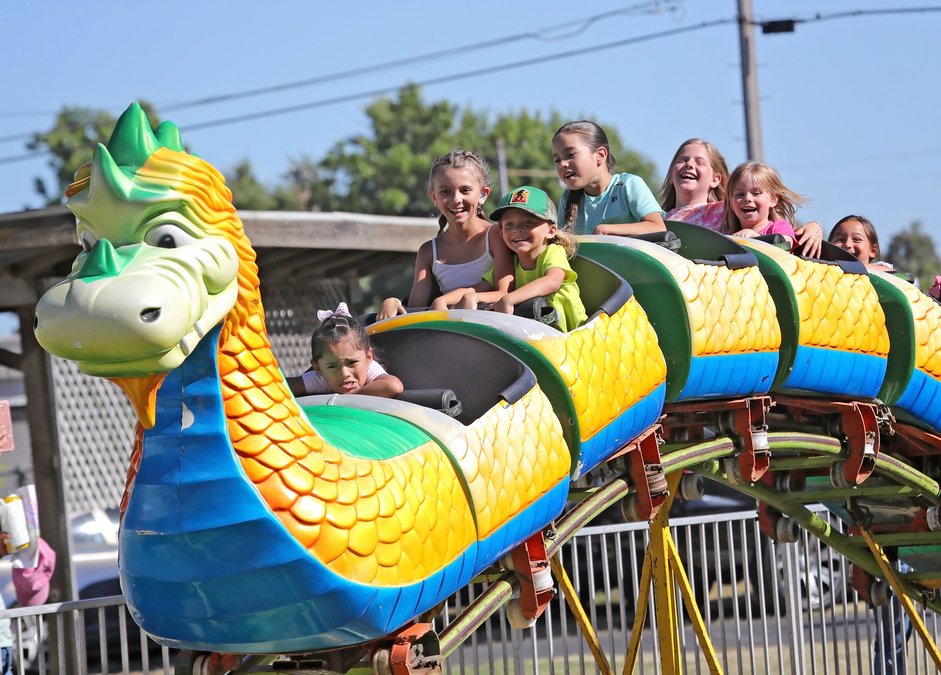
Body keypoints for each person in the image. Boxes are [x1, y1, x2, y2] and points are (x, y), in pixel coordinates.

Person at [376, 150, 514, 319]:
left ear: (483, 194)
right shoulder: (428, 252)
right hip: (448, 339)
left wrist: (463, 298)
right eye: (445, 192)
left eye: (465, 190)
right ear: (433, 196)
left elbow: (506, 293)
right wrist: (394, 303)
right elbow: (415, 310)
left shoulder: (495, 236)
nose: (456, 199)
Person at [438, 186, 587, 332]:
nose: (517, 229)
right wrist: (444, 300)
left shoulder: (553, 252)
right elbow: (479, 287)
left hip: (573, 333)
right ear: (502, 234)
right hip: (540, 336)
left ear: (551, 231)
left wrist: (510, 299)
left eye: (528, 222)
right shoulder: (512, 263)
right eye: (509, 225)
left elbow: (553, 281)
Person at [660, 138, 824, 257]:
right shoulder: (659, 219)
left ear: (716, 179)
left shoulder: (724, 210)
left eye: (699, 162)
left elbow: (772, 228)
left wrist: (815, 226)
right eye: (683, 160)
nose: (689, 164)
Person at [551, 120, 666, 236]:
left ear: (600, 155)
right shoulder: (567, 199)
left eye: (571, 154)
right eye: (557, 160)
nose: (562, 164)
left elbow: (658, 227)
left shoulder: (627, 185)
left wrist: (606, 230)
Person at [287, 303, 403, 398]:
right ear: (318, 368)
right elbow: (278, 388)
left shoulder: (369, 370)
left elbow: (394, 386)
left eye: (351, 363)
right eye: (332, 366)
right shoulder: (322, 377)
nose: (344, 374)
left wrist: (347, 397)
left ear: (368, 357)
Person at [722, 161, 805, 249]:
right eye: (740, 194)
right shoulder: (730, 236)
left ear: (773, 199)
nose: (747, 198)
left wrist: (756, 238)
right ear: (730, 201)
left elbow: (785, 246)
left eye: (756, 193)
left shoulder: (779, 227)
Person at [828, 215, 894, 271]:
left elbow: (889, 271)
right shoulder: (822, 270)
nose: (847, 244)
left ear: (873, 250)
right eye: (840, 239)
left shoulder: (879, 270)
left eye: (856, 239)